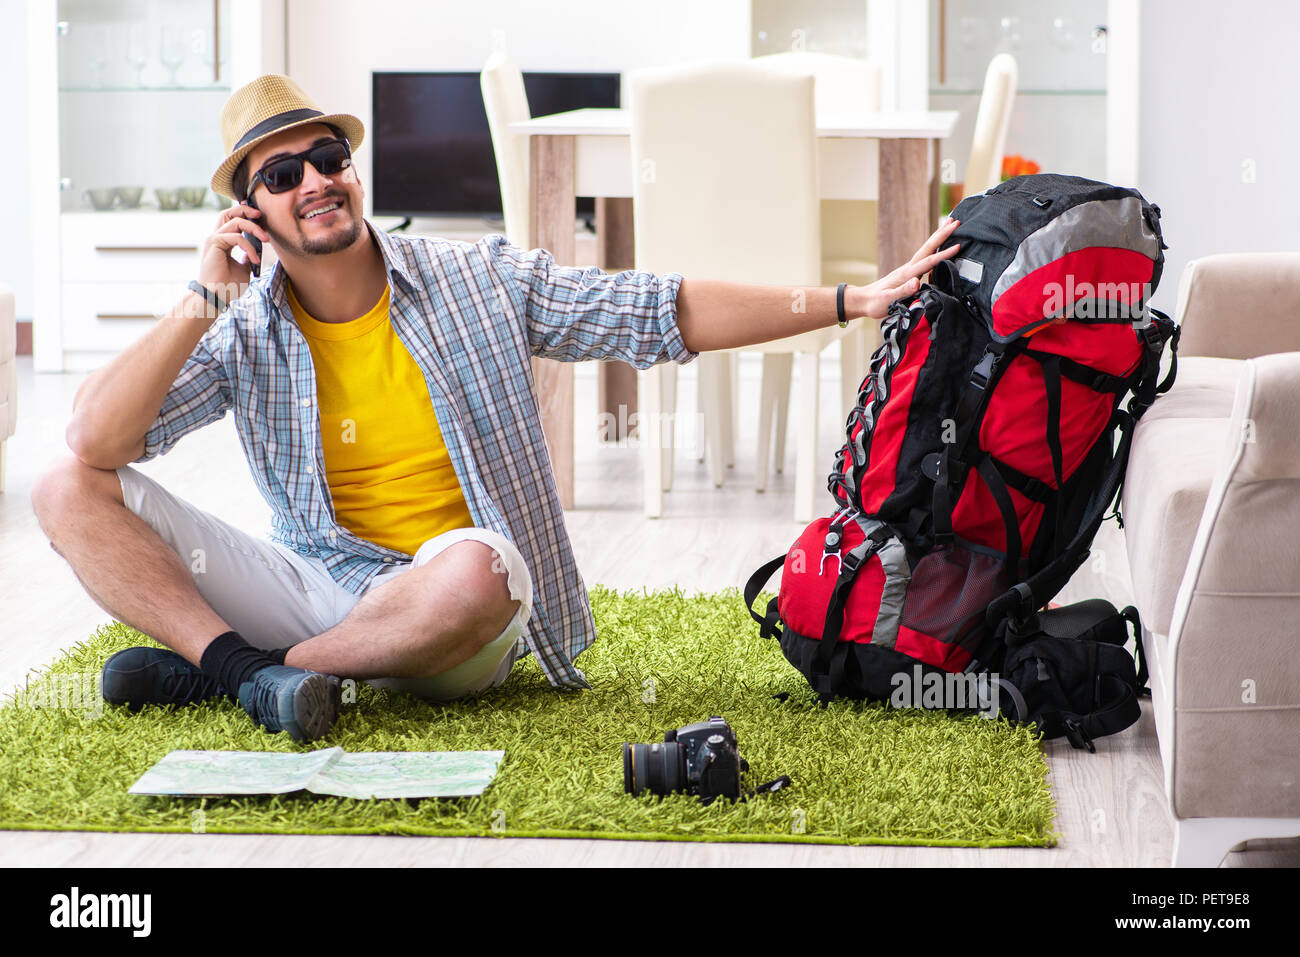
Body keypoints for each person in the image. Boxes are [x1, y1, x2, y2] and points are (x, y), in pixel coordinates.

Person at [30, 74, 960, 742]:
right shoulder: (242, 330)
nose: (313, 179)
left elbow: (655, 308)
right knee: (62, 485)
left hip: (457, 597)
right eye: (280, 176)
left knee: (480, 567)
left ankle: (246, 669)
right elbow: (95, 440)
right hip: (323, 581)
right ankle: (255, 674)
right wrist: (201, 299)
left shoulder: (477, 280)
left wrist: (846, 300)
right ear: (250, 218)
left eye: (326, 158)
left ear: (353, 174)